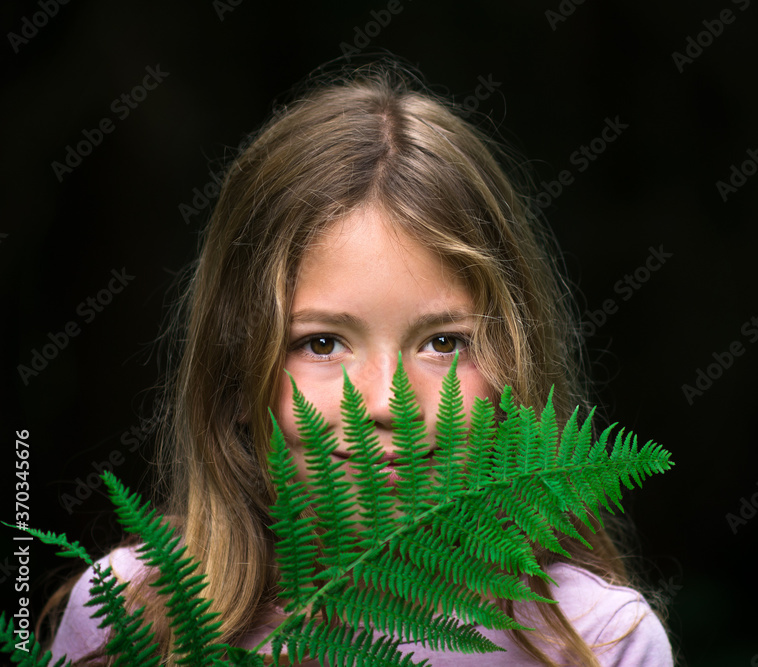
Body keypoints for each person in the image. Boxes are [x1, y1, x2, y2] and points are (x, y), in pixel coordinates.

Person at [43, 61, 674, 666]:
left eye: (444, 343)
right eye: (321, 343)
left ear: (515, 364)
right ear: (234, 372)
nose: (384, 402)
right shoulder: (131, 614)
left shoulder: (601, 643)